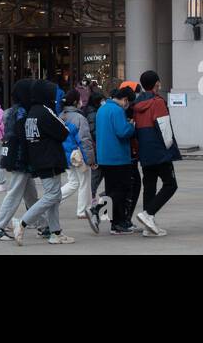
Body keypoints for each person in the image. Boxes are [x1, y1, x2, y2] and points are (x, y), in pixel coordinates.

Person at [13, 79, 71, 245]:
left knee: (55, 196)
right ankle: (23, 222)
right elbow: (64, 131)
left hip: (39, 158)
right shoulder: (45, 111)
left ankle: (56, 232)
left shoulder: (32, 112)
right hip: (50, 158)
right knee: (52, 195)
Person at [0, 79, 39, 240]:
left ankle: (43, 225)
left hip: (16, 156)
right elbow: (24, 135)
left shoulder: (11, 111)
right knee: (14, 193)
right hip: (21, 157)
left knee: (31, 195)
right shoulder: (22, 112)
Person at [132, 70, 180, 237]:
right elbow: (164, 128)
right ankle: (148, 214)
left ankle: (148, 226)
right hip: (159, 150)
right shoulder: (158, 102)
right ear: (156, 83)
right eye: (158, 82)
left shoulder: (136, 104)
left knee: (149, 186)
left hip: (144, 151)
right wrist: (170, 148)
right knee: (171, 184)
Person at [94, 86, 137, 236]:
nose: (128, 106)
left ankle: (116, 224)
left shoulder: (102, 109)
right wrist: (132, 126)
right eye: (128, 103)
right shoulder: (118, 110)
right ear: (125, 100)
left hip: (104, 156)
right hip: (118, 157)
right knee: (123, 189)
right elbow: (122, 132)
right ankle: (97, 209)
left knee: (112, 189)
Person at [59, 89, 94, 218]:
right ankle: (83, 210)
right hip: (78, 155)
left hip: (66, 155)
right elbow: (85, 140)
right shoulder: (79, 118)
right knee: (84, 182)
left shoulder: (60, 116)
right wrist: (90, 160)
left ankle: (52, 200)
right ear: (75, 102)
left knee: (73, 182)